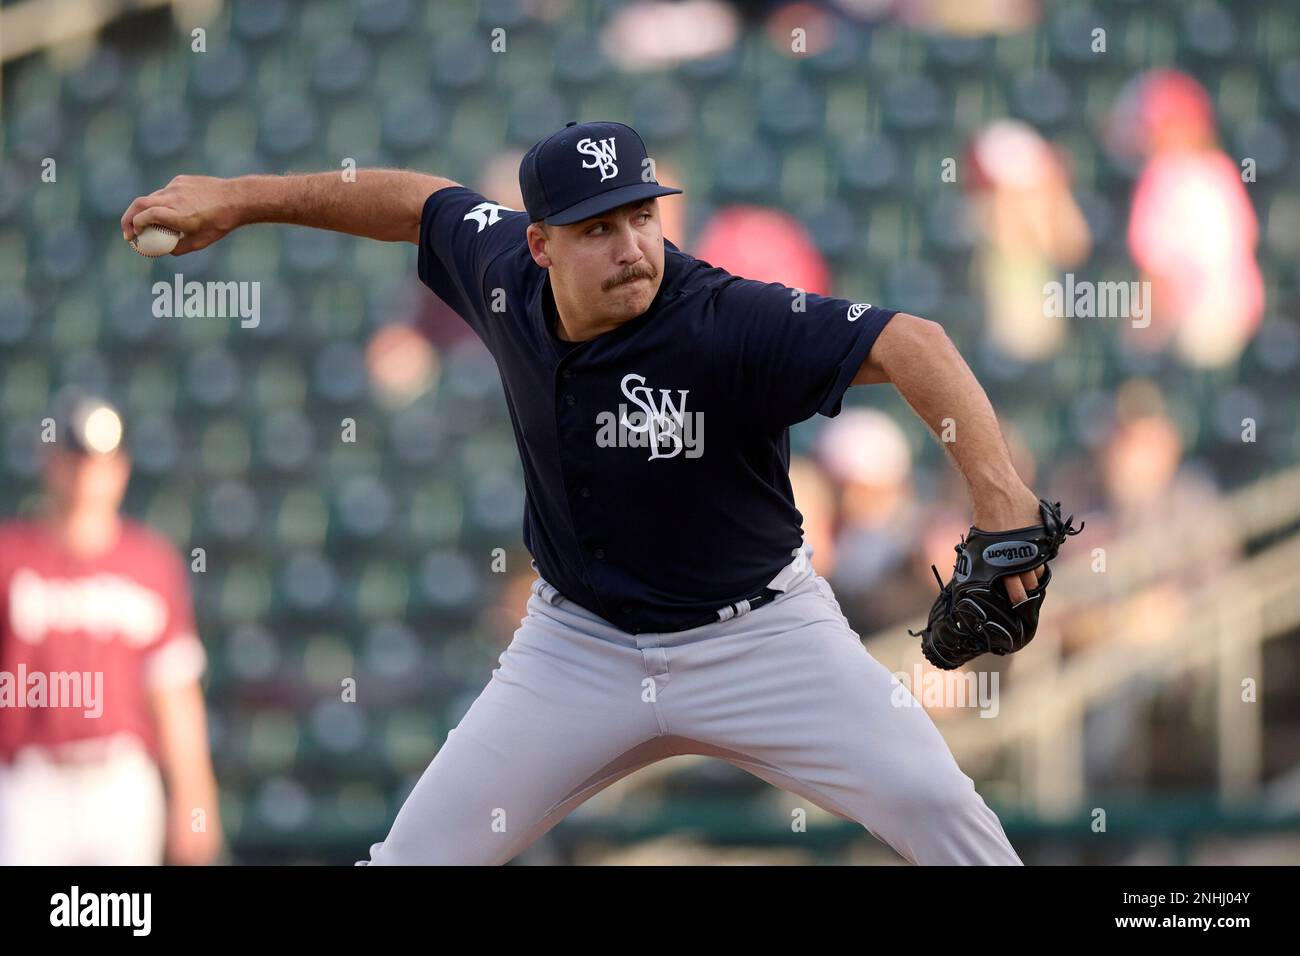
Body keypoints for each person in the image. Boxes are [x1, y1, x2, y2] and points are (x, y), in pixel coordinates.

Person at [121, 120, 1051, 866]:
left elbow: (916, 342)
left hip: (764, 636)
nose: (632, 245)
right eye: (599, 228)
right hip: (580, 648)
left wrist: (999, 492)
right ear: (539, 245)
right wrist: (238, 201)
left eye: (643, 215)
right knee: (415, 858)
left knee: (946, 818)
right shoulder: (501, 279)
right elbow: (414, 202)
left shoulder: (728, 319)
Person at [0, 394, 222, 865]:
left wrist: (194, 795)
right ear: (51, 463)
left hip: (120, 783)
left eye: (101, 462)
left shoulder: (150, 562)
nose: (87, 476)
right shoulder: (9, 556)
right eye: (75, 460)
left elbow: (174, 691)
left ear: (121, 468)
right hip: (28, 782)